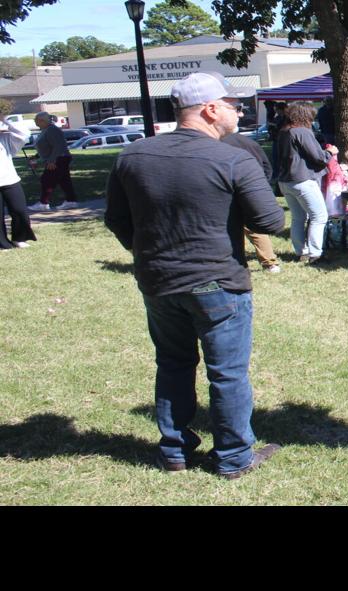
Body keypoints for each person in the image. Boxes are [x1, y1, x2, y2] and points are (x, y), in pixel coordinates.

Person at [104, 73, 286, 478]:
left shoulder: (133, 155)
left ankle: (175, 451)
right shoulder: (234, 157)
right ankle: (235, 456)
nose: (238, 111)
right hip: (217, 282)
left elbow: (117, 219)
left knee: (172, 363)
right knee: (227, 373)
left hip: (158, 280)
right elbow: (271, 222)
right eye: (233, 104)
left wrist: (149, 252)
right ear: (210, 109)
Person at [272, 101, 333, 263]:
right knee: (319, 216)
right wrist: (330, 152)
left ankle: (301, 252)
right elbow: (318, 157)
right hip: (303, 180)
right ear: (305, 116)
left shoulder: (284, 131)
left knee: (298, 217)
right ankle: (315, 254)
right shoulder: (302, 132)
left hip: (286, 181)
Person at [218, 122, 281, 274]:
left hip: (228, 189)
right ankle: (270, 263)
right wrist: (262, 185)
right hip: (252, 189)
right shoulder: (249, 142)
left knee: (228, 228)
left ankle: (233, 261)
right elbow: (267, 165)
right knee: (254, 228)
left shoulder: (217, 143)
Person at [0, 115, 39, 250]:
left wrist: (4, 120)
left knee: (20, 210)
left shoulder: (4, 138)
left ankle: (19, 238)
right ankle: (2, 244)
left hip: (10, 180)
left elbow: (24, 133)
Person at [28, 112, 76, 211]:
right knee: (64, 181)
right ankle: (71, 201)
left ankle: (43, 203)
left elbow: (59, 146)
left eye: (35, 120)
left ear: (42, 120)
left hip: (59, 159)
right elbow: (47, 147)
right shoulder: (46, 130)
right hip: (58, 158)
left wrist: (52, 161)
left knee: (47, 180)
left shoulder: (52, 130)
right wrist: (36, 156)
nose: (35, 122)